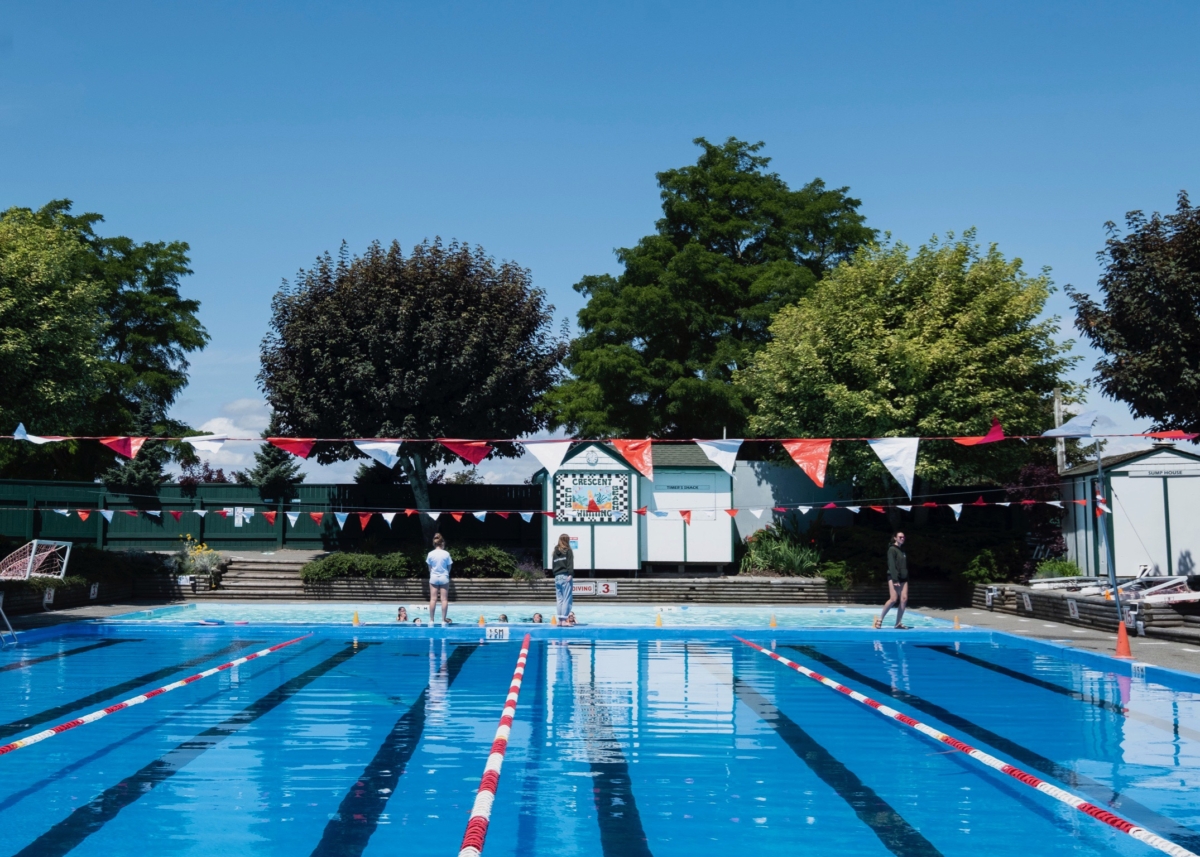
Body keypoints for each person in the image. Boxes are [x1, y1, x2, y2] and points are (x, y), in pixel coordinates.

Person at [875, 532, 910, 629]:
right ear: (895, 538)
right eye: (900, 537)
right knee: (893, 599)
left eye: (903, 537)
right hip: (894, 576)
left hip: (903, 577)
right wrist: (895, 579)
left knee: (904, 599)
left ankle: (898, 623)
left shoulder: (902, 551)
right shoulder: (892, 549)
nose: (902, 538)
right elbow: (892, 565)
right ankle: (880, 619)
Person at [427, 533, 452, 625]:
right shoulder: (446, 554)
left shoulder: (430, 554)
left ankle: (431, 620)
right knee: (444, 599)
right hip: (444, 576)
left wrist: (433, 574)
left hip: (433, 577)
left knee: (433, 599)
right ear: (442, 543)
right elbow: (449, 566)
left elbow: (429, 567)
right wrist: (446, 574)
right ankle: (443, 620)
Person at [552, 534, 575, 622]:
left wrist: (555, 573)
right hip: (565, 575)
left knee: (559, 600)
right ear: (567, 540)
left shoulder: (555, 552)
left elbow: (554, 564)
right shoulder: (568, 550)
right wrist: (570, 574)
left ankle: (560, 621)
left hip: (557, 576)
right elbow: (570, 563)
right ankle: (564, 620)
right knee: (566, 599)